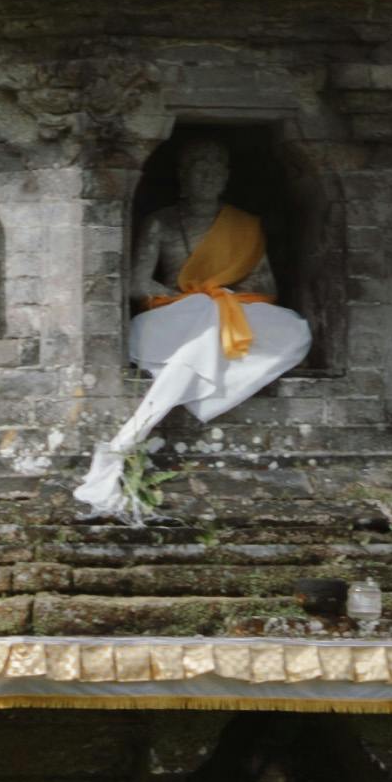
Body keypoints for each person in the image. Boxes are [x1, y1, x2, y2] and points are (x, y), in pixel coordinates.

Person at [80, 138, 313, 514]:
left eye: (214, 170)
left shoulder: (243, 225)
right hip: (174, 313)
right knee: (204, 312)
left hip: (225, 313)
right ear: (182, 176)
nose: (206, 176)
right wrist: (190, 295)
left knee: (294, 330)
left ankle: (147, 420)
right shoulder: (162, 222)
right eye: (198, 169)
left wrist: (219, 294)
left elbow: (266, 285)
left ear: (225, 178)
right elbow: (137, 282)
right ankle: (197, 376)